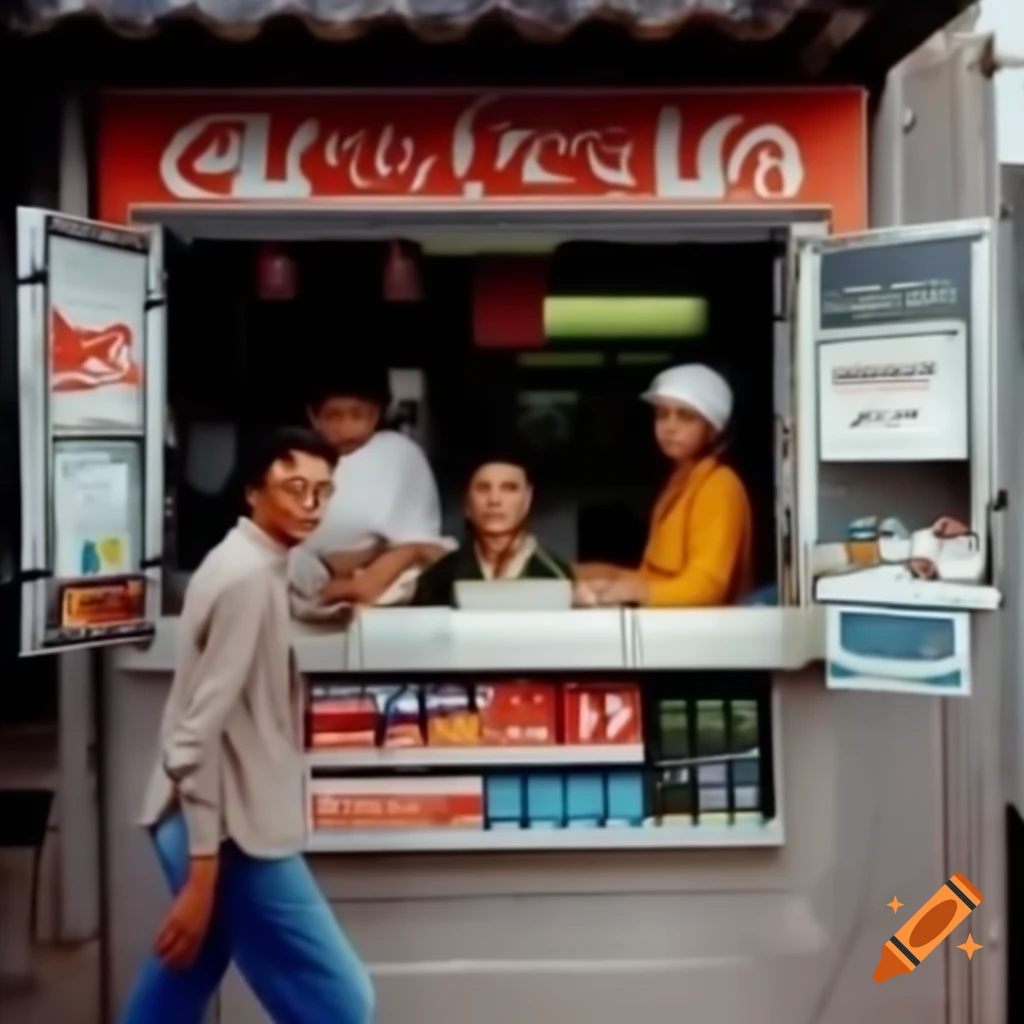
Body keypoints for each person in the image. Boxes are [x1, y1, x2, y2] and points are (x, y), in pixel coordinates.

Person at [119, 428, 374, 1024]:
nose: (311, 505)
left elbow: (273, 610)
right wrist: (204, 877)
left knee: (178, 987)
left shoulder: (253, 561)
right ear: (253, 491)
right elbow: (195, 735)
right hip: (228, 837)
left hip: (198, 822)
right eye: (294, 489)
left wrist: (325, 612)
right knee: (342, 1003)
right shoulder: (249, 580)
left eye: (322, 491)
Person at [576, 364, 754, 608]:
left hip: (706, 636)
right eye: (662, 414)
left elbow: (708, 587)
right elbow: (655, 577)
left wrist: (635, 590)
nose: (669, 427)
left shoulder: (720, 485)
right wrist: (597, 576)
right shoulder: (680, 481)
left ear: (712, 429)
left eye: (686, 416)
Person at [289, 363, 452, 614]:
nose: (346, 429)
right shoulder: (293, 459)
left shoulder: (398, 454)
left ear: (376, 414)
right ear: (313, 416)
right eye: (333, 416)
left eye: (358, 415)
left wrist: (361, 581)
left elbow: (417, 541)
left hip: (386, 580)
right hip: (302, 581)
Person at [411, 448, 572, 607]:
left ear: (527, 499)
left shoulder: (554, 578)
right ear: (467, 502)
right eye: (483, 488)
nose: (494, 500)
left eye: (509, 488)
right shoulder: (438, 580)